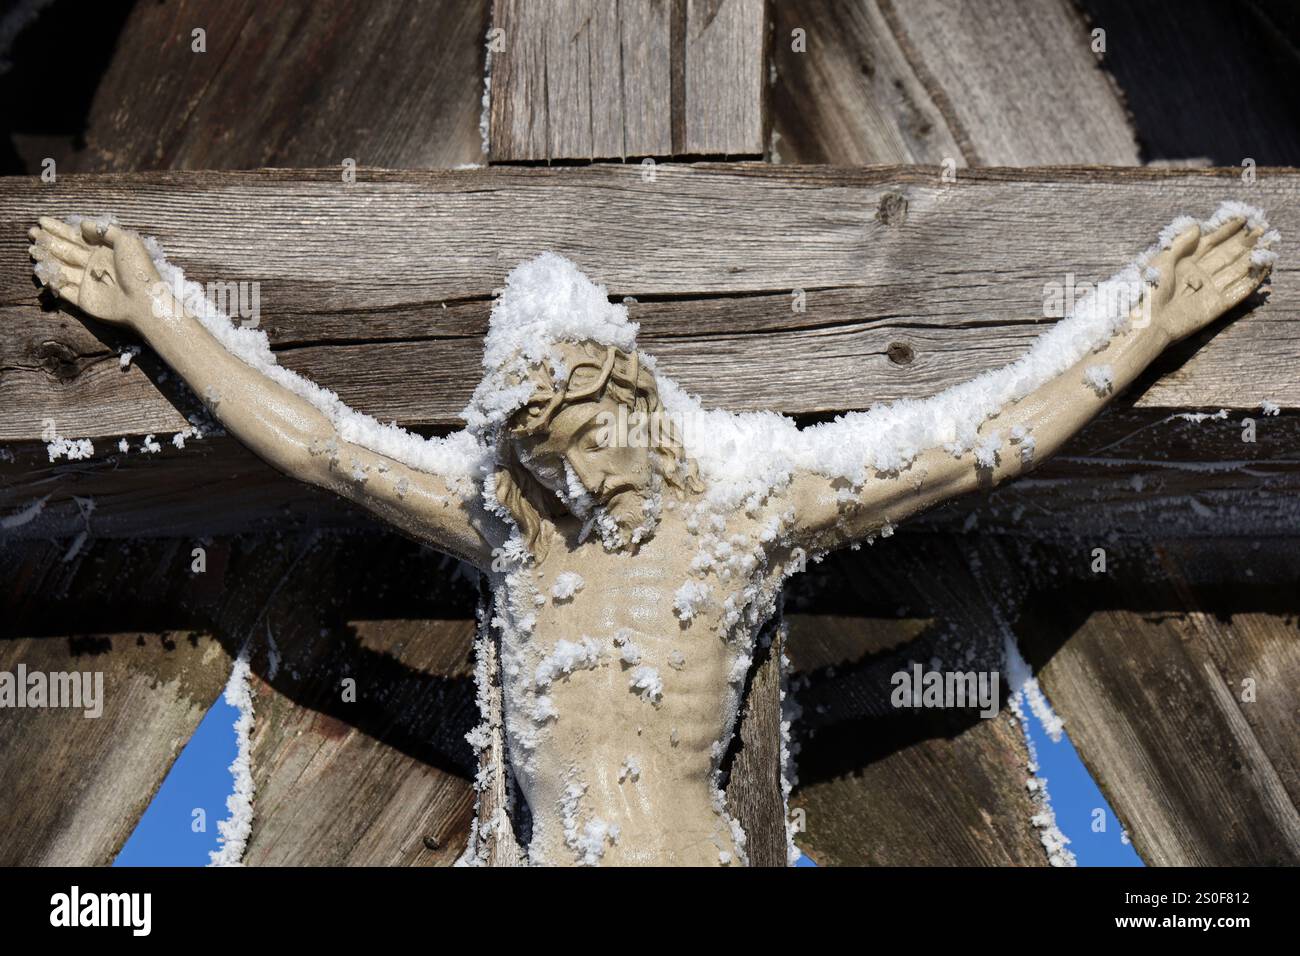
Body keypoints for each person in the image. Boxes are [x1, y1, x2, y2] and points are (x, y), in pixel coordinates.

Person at [27, 205, 1273, 865]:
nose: (579, 478)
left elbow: (977, 441)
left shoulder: (750, 503)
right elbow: (318, 442)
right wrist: (161, 310)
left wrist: (1138, 326)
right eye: (548, 456)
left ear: (639, 403)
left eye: (594, 437)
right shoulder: (504, 522)